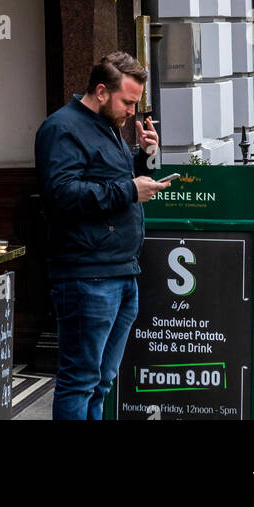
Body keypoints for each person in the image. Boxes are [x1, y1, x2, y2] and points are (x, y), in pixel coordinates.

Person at [34, 51, 173, 420]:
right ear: (100, 91)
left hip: (120, 271)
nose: (132, 111)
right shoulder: (61, 128)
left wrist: (144, 157)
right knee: (80, 381)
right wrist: (129, 189)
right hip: (87, 275)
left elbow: (105, 176)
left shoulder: (107, 126)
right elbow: (61, 194)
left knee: (102, 381)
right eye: (127, 102)